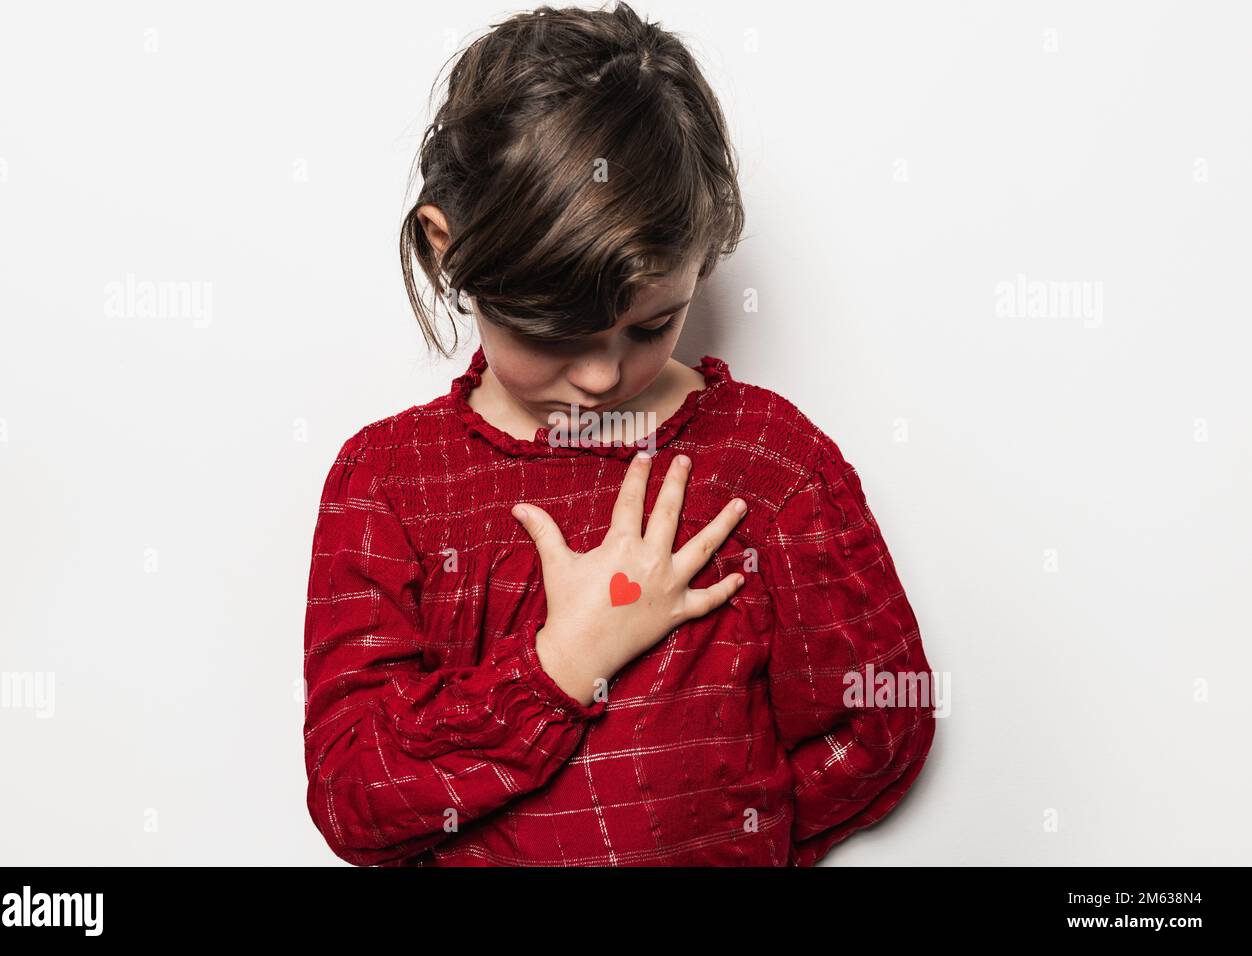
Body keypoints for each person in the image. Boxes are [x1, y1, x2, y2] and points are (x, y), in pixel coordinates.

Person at [302, 2, 935, 866]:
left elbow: (879, 716)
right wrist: (563, 663)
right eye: (555, 333)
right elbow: (353, 797)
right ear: (448, 250)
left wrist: (737, 834)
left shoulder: (768, 462)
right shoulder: (388, 480)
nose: (601, 377)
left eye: (649, 327)